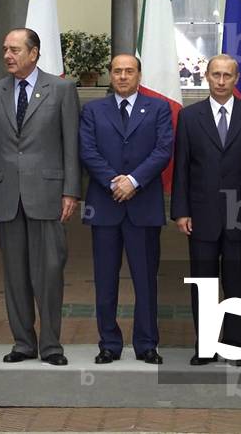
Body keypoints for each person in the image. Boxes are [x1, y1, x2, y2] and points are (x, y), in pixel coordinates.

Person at [0, 28, 81, 366]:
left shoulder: (62, 89)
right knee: (14, 274)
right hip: (6, 194)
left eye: (15, 50)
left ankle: (51, 345)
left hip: (48, 193)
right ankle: (23, 342)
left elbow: (71, 142)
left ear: (34, 53)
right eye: (5, 50)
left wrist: (71, 190)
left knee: (49, 272)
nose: (8, 55)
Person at [170, 54, 241, 366]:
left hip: (240, 213)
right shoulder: (190, 117)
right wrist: (181, 211)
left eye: (228, 75)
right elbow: (182, 169)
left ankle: (235, 345)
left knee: (236, 282)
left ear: (237, 79)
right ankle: (206, 345)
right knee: (204, 283)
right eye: (216, 75)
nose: (221, 81)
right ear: (207, 77)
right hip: (201, 214)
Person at [79, 54, 173, 365]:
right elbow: (87, 150)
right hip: (104, 207)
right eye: (117, 71)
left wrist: (133, 181)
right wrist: (113, 182)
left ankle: (147, 343)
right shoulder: (93, 110)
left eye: (128, 71)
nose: (122, 76)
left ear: (139, 75)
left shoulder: (158, 108)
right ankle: (109, 343)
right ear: (109, 74)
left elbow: (163, 150)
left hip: (143, 206)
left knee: (146, 279)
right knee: (105, 280)